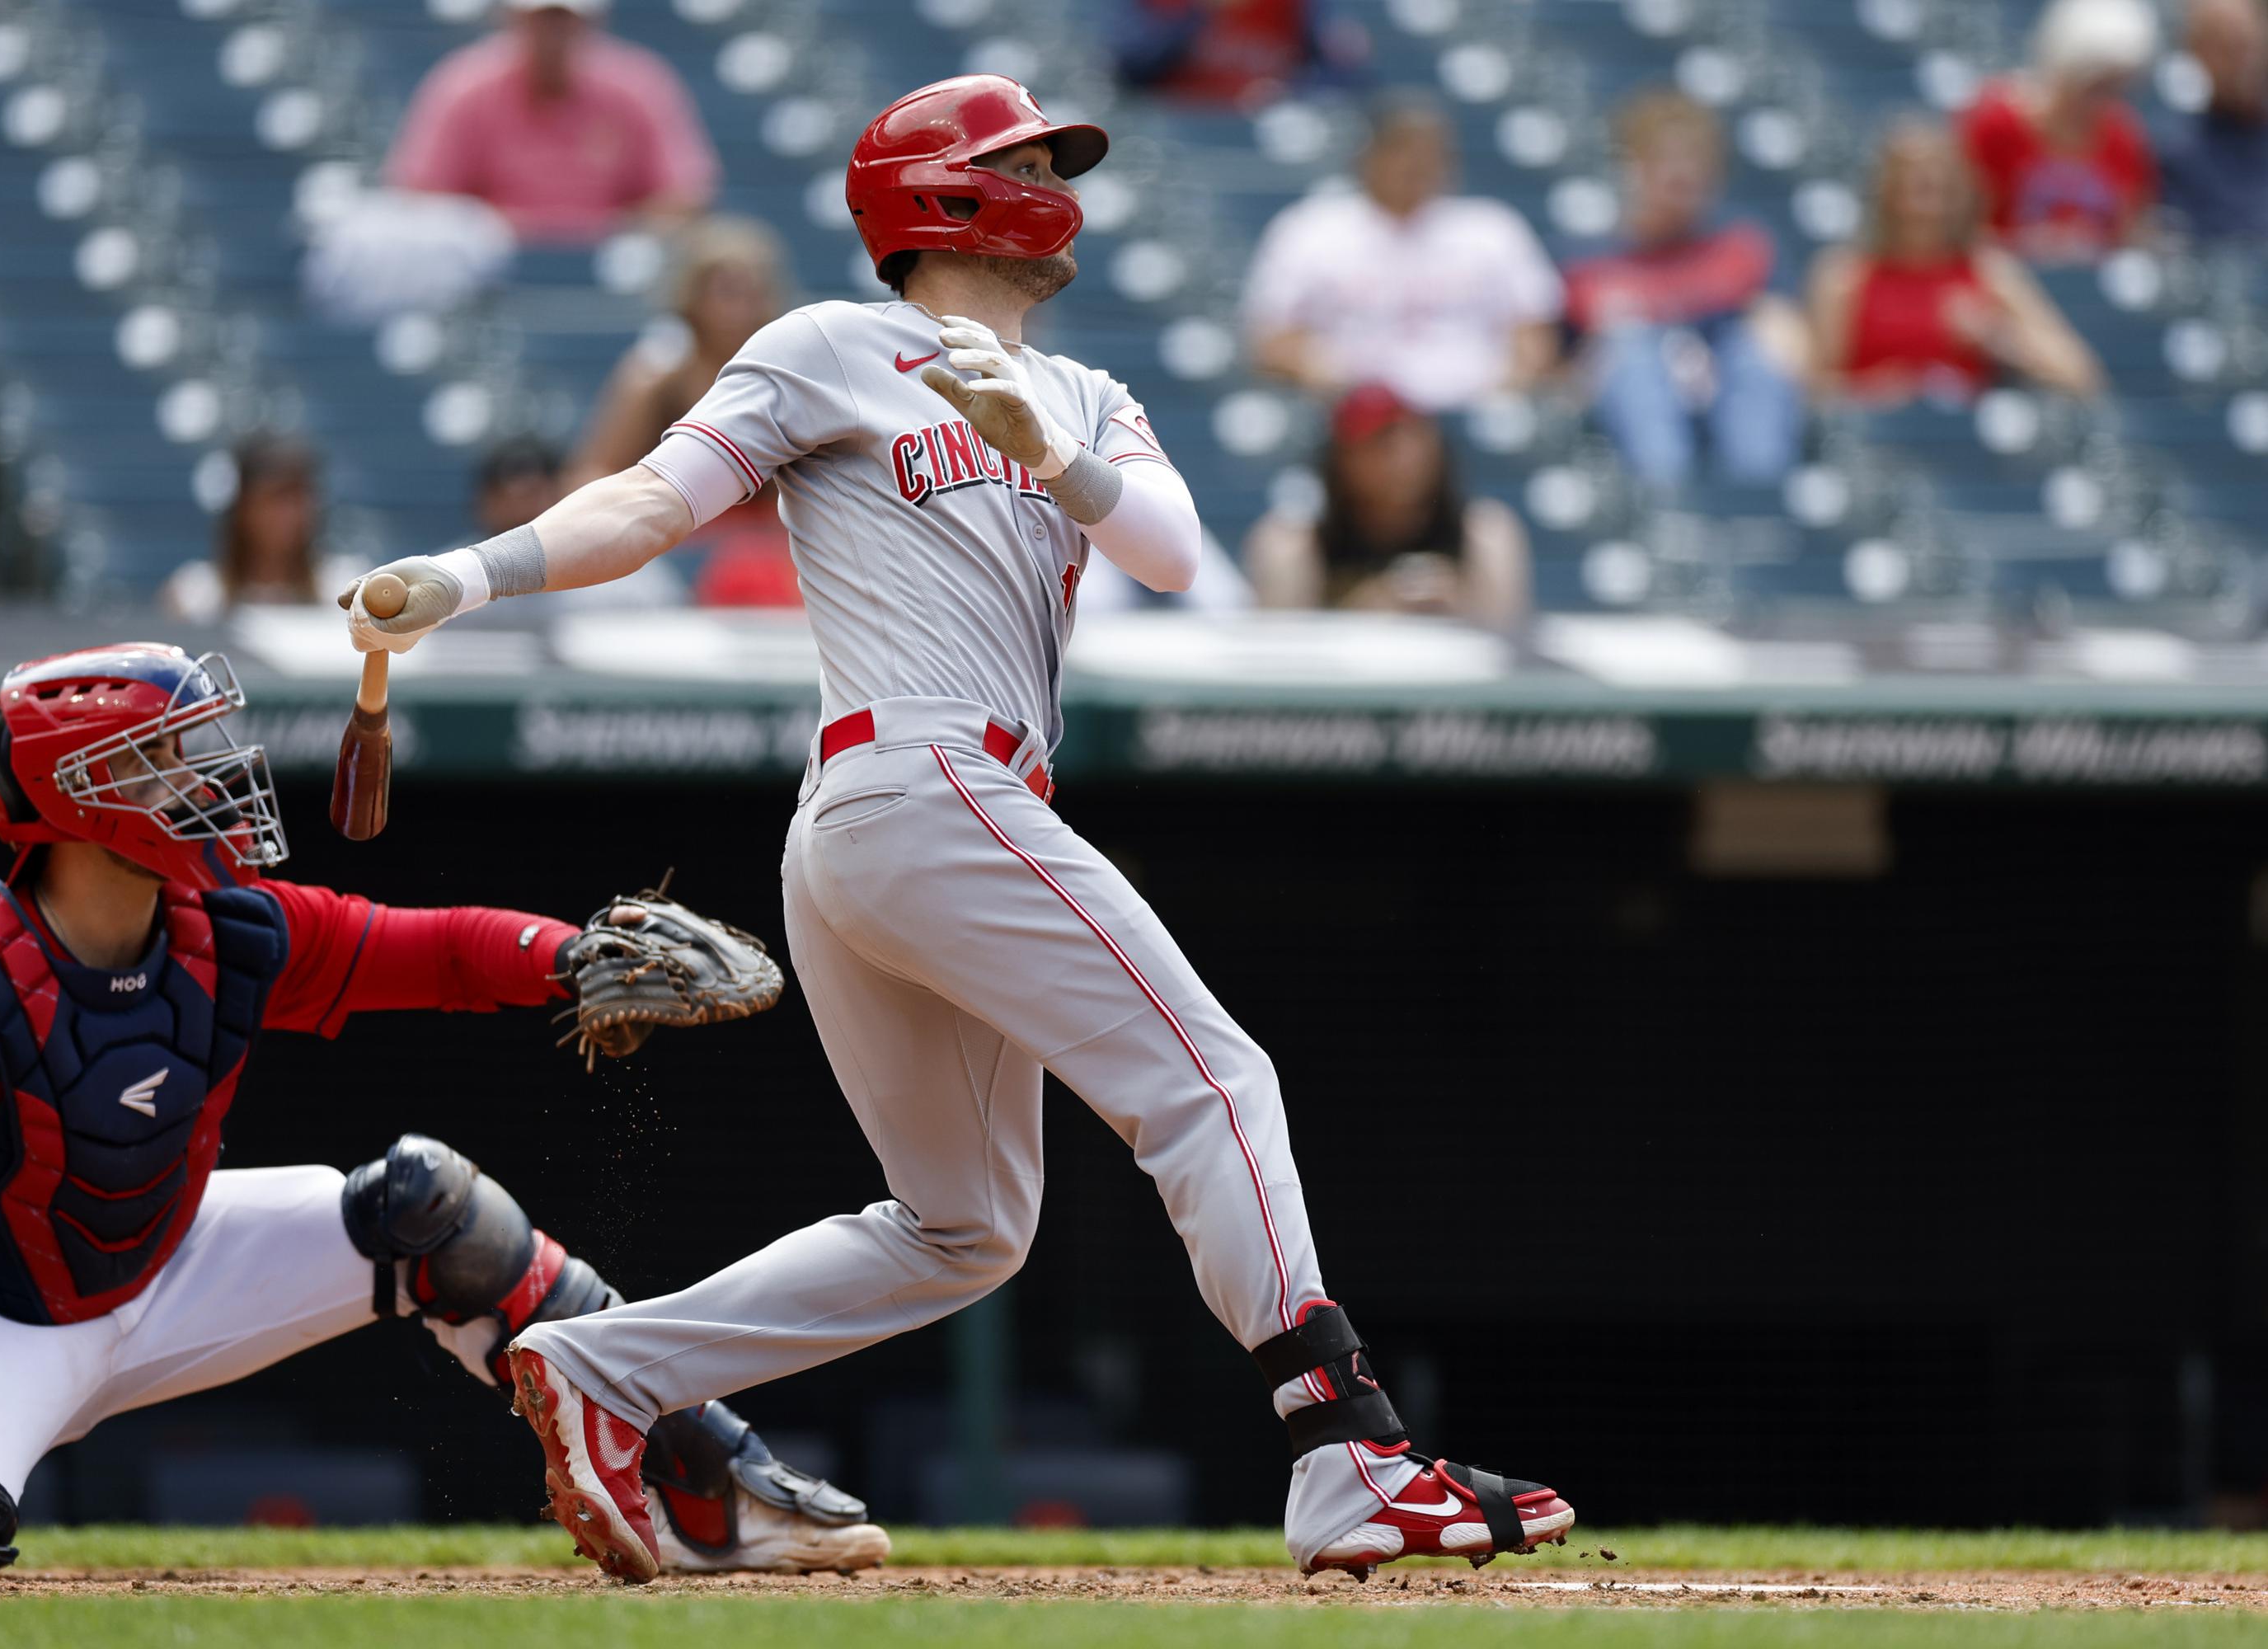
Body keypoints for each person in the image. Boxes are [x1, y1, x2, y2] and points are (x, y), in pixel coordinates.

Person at [340, 73, 1578, 1585]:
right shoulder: (827, 347)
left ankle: (612, 1367)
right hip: (919, 786)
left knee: (966, 1227)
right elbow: (655, 503)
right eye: (1029, 158)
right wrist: (467, 579)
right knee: (1214, 1079)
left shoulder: (1088, 395)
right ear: (943, 192)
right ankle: (1351, 1449)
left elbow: (1178, 556)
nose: (1059, 179)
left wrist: (1051, 450)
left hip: (923, 818)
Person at [0, 644, 885, 1581]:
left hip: (160, 1267)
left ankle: (714, 1488)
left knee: (429, 1210)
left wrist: (574, 954)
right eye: (163, 758)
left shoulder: (233, 928)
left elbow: (435, 947)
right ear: (77, 791)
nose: (203, 777)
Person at [1240, 96, 1562, 412]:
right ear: (1368, 156)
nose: (1412, 165)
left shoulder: (1492, 229)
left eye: (1428, 153)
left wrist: (1507, 388)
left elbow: (1533, 335)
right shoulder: (1309, 229)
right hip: (1352, 415)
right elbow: (1273, 340)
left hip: (1472, 407)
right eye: (1399, 149)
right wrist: (1325, 376)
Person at [1561, 90, 1806, 488]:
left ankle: (1760, 505)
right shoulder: (1589, 266)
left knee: (1753, 360)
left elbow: (1791, 344)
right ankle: (1666, 506)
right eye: (1666, 160)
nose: (1683, 174)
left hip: (1727, 394)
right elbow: (1553, 369)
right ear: (1632, 166)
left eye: (1696, 161)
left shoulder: (1742, 250)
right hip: (1625, 424)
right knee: (1633, 358)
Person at [567, 218, 801, 608]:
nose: (741, 309)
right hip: (668, 545)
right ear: (692, 298)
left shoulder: (788, 380)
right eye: (727, 292)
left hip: (767, 556)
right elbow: (589, 478)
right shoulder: (654, 378)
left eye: (754, 293)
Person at [1807, 120, 2102, 404]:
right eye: (1919, 188)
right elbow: (1813, 390)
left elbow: (2078, 374)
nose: (1930, 206)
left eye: (1944, 188)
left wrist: (1996, 337)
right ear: (1888, 193)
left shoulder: (1988, 271)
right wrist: (1878, 392)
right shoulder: (1844, 278)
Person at [386, 0, 719, 244]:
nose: (553, 34)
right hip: (489, 265)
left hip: (609, 262)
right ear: (512, 18)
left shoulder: (640, 85)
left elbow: (685, 194)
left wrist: (614, 231)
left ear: (592, 22)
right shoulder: (463, 85)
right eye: (542, 20)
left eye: (563, 20)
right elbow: (419, 195)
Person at [1245, 383, 1528, 625]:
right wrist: (1365, 611)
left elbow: (1511, 651)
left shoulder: (1482, 533)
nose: (1404, 456)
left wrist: (1461, 608)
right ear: (1343, 458)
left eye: (1415, 435)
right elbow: (1279, 660)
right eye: (1382, 442)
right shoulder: (1297, 544)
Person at [1956, 0, 2158, 261]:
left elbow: (2129, 233)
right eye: (2095, 87)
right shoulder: (1995, 126)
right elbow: (1962, 231)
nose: (2105, 102)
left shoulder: (2124, 138)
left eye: (2118, 89)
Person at [160, 435, 361, 623]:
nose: (289, 515)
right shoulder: (196, 594)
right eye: (275, 500)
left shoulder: (344, 590)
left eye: (298, 501)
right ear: (242, 509)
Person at [2158, 0, 2268, 242]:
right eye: (2227, 48)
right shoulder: (2178, 155)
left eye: (2249, 44)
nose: (2244, 62)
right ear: (2196, 52)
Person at [1115, 0, 1360, 106]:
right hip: (1178, 130)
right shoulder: (1170, 8)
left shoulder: (1296, 7)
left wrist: (1287, 92)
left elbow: (1338, 80)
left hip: (1261, 128)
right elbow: (1131, 71)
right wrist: (1197, 13)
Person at [475, 435, 569, 538]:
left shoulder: (580, 551)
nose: (522, 508)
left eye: (534, 492)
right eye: (509, 496)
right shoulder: (463, 554)